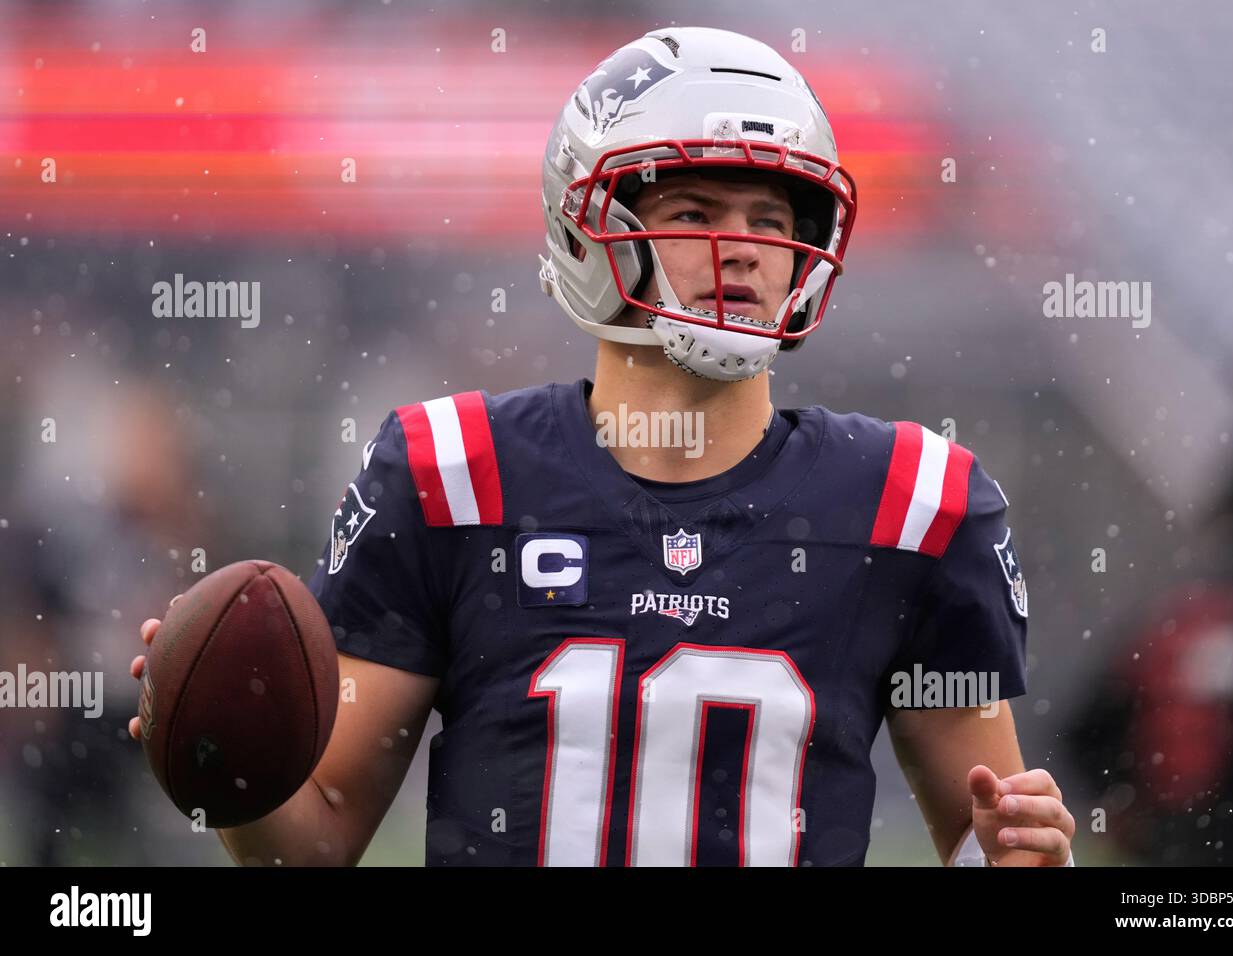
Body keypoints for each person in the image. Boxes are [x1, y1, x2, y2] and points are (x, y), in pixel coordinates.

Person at [128, 26, 1073, 866]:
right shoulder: (453, 473)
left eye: (772, 221)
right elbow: (320, 835)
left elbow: (977, 827)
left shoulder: (911, 503)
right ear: (592, 228)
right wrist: (232, 771)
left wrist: (1022, 858)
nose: (741, 248)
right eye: (697, 213)